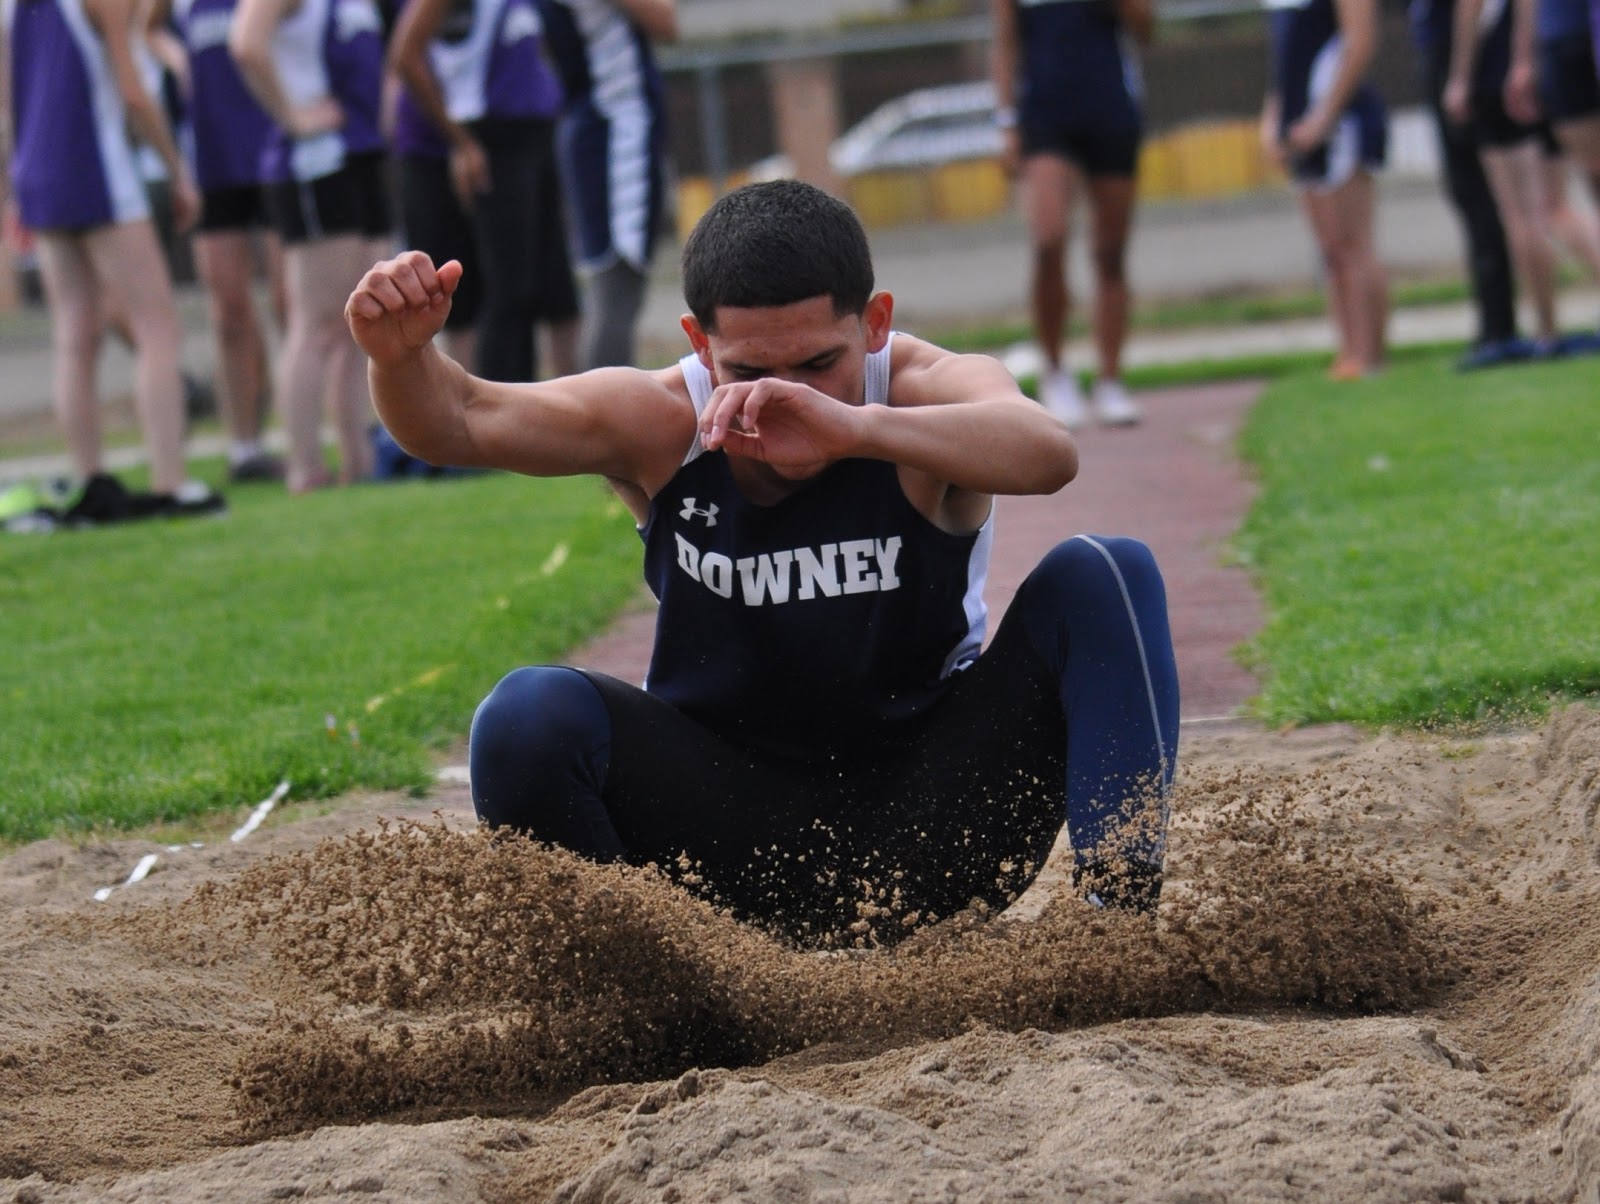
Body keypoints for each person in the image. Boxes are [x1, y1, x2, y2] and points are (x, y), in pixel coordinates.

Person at [346, 180, 1181, 946]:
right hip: (729, 844)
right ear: (700, 347)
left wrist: (852, 429)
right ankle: (646, 1002)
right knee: (526, 715)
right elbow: (455, 420)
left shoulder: (924, 389)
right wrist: (399, 358)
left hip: (937, 823)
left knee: (1105, 571)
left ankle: (1112, 942)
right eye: (749, 371)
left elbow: (1047, 452)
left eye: (820, 365)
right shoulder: (659, 420)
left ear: (876, 322)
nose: (785, 397)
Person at [1, 0, 224, 523]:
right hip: (95, 170)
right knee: (158, 328)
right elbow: (131, 92)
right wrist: (176, 169)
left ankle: (91, 477)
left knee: (75, 336)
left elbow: (11, 107)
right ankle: (170, 481)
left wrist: (15, 189)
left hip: (38, 175)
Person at [229, 0, 392, 491]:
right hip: (316, 162)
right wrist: (293, 116)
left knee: (362, 323)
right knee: (318, 324)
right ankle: (304, 466)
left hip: (360, 155)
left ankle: (359, 461)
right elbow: (245, 44)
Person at [387, 0, 579, 384]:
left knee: (549, 289)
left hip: (532, 137)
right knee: (508, 289)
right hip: (495, 141)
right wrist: (462, 142)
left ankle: (559, 413)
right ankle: (500, 417)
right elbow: (404, 55)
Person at [987, 0, 1151, 429]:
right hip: (1044, 116)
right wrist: (1005, 121)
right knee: (1048, 238)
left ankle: (1111, 380)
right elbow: (1004, 42)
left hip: (1110, 108)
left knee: (1111, 250)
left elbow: (1146, 29)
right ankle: (1055, 371)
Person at [166, 0, 288, 481]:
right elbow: (151, 29)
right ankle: (244, 446)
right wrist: (178, 62)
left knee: (289, 302)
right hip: (213, 161)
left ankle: (311, 437)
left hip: (273, 149)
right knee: (230, 311)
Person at [1445, 0, 1600, 352]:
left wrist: (1468, 73)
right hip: (1546, 54)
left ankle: (1546, 332)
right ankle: (1546, 332)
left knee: (1535, 212)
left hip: (1511, 69)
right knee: (1550, 207)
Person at [538, 0, 675, 370]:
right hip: (615, 129)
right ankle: (602, 423)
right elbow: (666, 21)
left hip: (594, 126)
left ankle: (592, 416)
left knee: (610, 287)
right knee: (616, 285)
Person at [1262, 0, 1391, 380]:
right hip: (1300, 126)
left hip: (1341, 122)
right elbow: (1285, 59)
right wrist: (1273, 120)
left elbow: (1360, 42)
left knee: (1356, 246)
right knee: (1331, 251)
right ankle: (1347, 352)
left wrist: (1324, 115)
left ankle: (1370, 357)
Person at [1410, 0, 1533, 368]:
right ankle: (1494, 326)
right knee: (1471, 195)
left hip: (1461, 60)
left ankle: (1500, 328)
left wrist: (1460, 74)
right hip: (1445, 56)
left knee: (1485, 198)